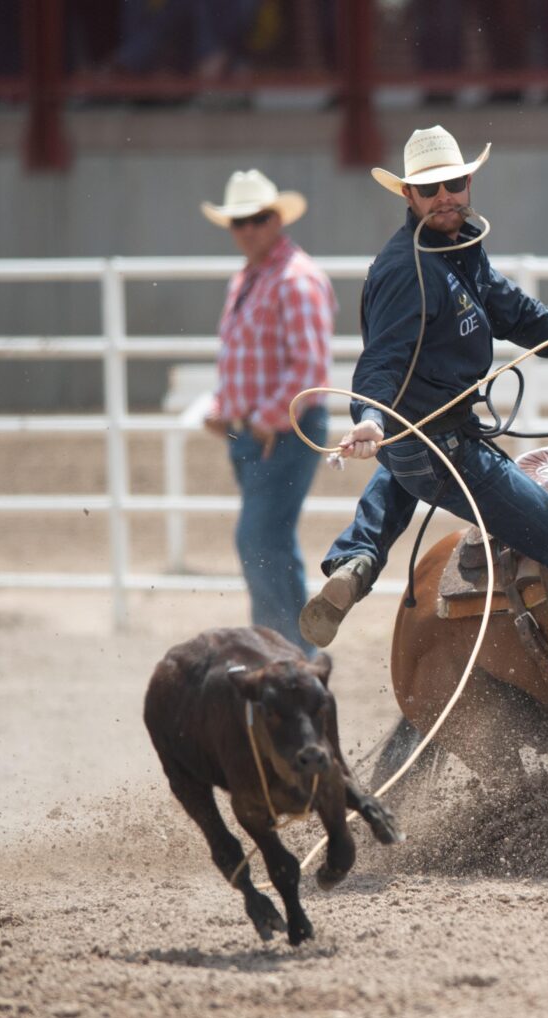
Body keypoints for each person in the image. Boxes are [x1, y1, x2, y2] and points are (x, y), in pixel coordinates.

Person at [302, 125, 548, 723]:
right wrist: (370, 419)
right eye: (431, 190)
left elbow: (515, 311)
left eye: (453, 184)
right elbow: (380, 362)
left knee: (406, 470)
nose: (445, 196)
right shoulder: (409, 271)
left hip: (426, 440)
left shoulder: (458, 250)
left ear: (468, 182)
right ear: (409, 196)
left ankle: (358, 557)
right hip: (440, 445)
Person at [200, 168, 335, 655]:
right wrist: (225, 409)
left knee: (258, 542)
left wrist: (262, 418)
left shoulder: (295, 280)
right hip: (257, 434)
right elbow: (247, 357)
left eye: (257, 219)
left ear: (276, 219)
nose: (248, 229)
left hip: (282, 432)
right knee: (269, 545)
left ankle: (285, 656)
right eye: (240, 222)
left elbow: (311, 366)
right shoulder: (253, 278)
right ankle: (289, 653)